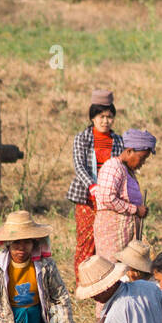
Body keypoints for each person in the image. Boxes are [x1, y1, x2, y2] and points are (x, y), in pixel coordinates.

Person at [66, 89, 123, 284]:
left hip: (109, 199)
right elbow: (79, 165)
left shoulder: (118, 141)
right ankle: (82, 283)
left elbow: (119, 169)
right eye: (101, 116)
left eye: (109, 117)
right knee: (86, 242)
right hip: (86, 198)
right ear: (93, 117)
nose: (105, 121)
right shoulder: (82, 138)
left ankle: (103, 283)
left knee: (107, 242)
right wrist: (92, 186)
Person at [94, 128, 155, 265]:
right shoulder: (113, 166)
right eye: (142, 158)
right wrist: (136, 210)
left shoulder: (127, 170)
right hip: (112, 235)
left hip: (123, 235)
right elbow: (107, 198)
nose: (142, 163)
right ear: (129, 151)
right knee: (111, 269)